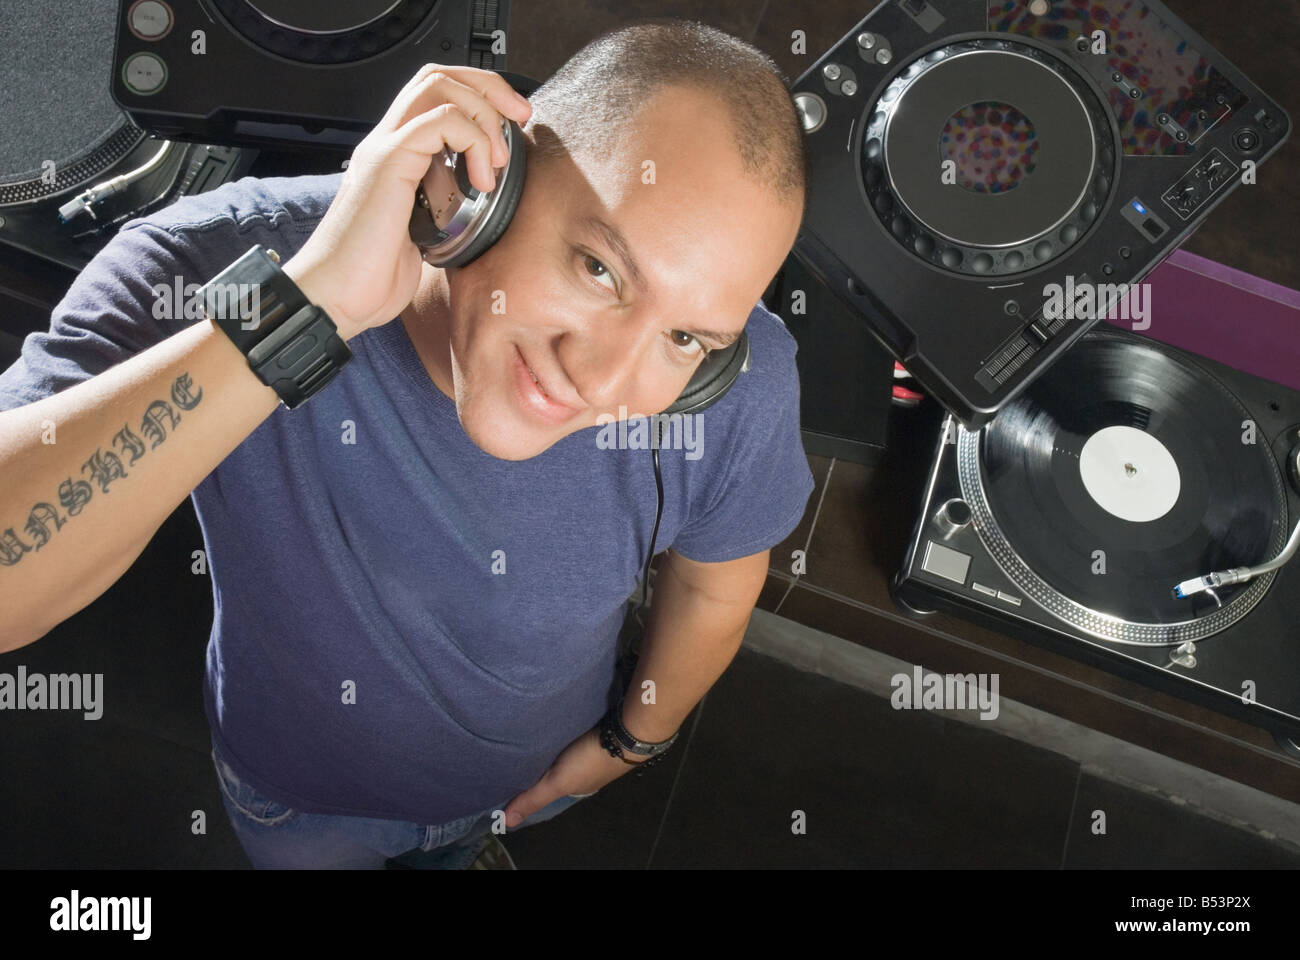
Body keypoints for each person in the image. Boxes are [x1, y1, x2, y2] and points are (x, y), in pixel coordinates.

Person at [0, 18, 813, 868]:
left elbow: (716, 589)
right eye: (600, 269)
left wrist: (630, 744)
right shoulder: (205, 263)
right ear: (488, 176)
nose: (603, 380)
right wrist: (310, 307)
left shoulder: (739, 389)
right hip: (294, 803)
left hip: (514, 795)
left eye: (685, 338)